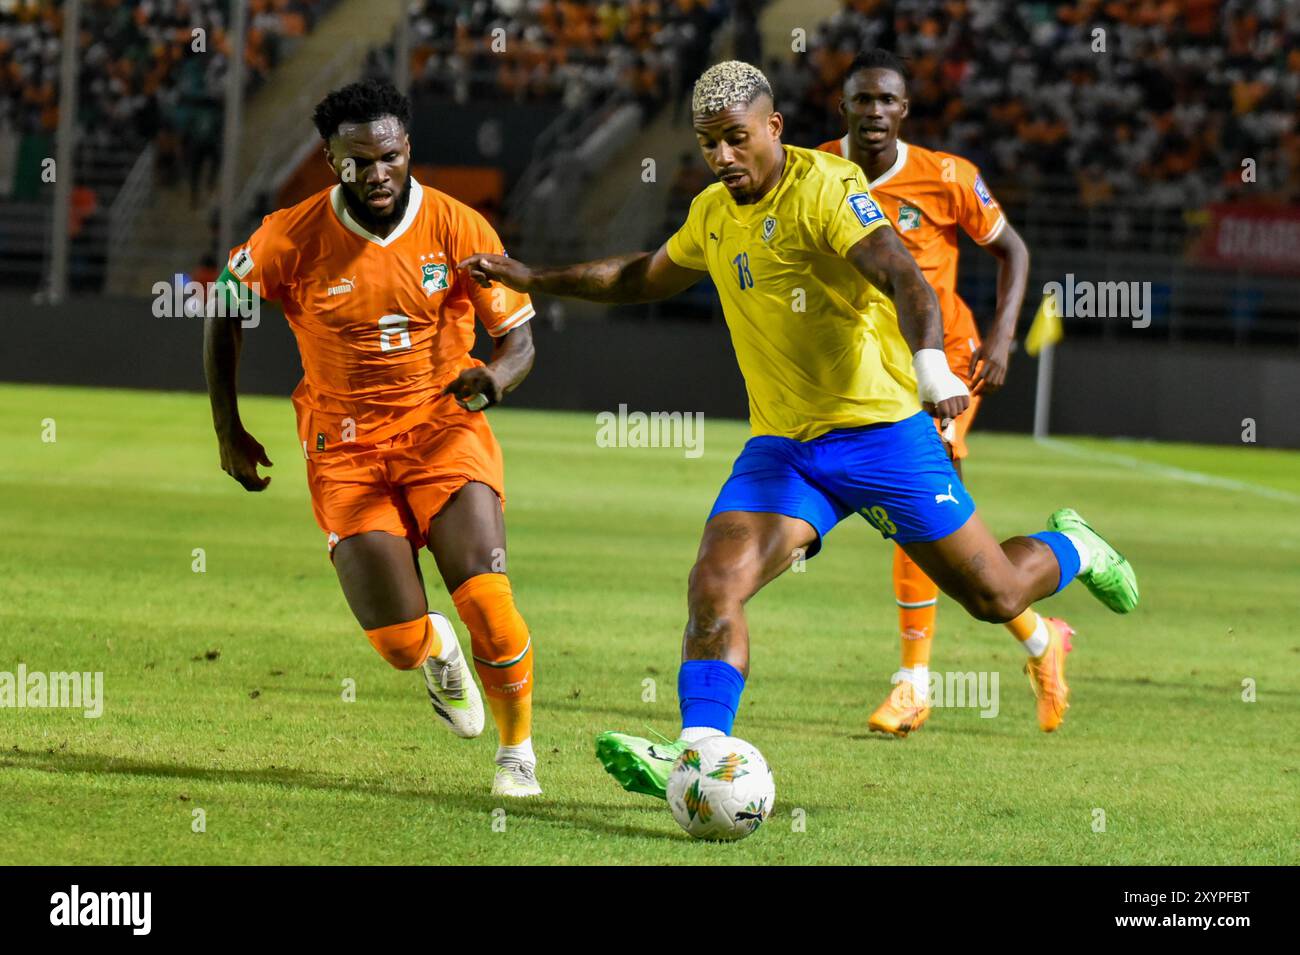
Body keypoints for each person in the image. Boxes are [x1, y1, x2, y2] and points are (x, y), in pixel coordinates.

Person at [458, 61, 1139, 800]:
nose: (722, 158)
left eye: (735, 139)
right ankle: (698, 752)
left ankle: (1077, 545)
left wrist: (935, 367)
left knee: (997, 597)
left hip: (881, 432)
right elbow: (639, 277)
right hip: (785, 448)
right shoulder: (714, 212)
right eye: (708, 144)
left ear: (773, 128)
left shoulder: (828, 187)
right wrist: (534, 277)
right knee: (715, 583)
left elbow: (904, 277)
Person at [203, 79, 543, 796]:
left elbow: (517, 339)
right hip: (345, 451)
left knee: (487, 597)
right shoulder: (289, 236)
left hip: (444, 431)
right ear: (331, 158)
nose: (377, 173)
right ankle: (434, 650)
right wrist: (227, 426)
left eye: (389, 155)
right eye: (358, 160)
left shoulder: (458, 227)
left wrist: (497, 379)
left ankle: (518, 754)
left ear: (408, 147)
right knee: (396, 644)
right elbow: (223, 307)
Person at [817, 49, 1060, 736]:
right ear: (844, 108)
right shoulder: (817, 174)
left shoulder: (948, 177)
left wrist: (1004, 337)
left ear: (904, 110)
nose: (873, 112)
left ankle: (914, 683)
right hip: (863, 370)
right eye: (861, 100)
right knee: (928, 526)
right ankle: (1042, 638)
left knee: (917, 503)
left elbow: (1012, 249)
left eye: (886, 100)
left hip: (944, 369)